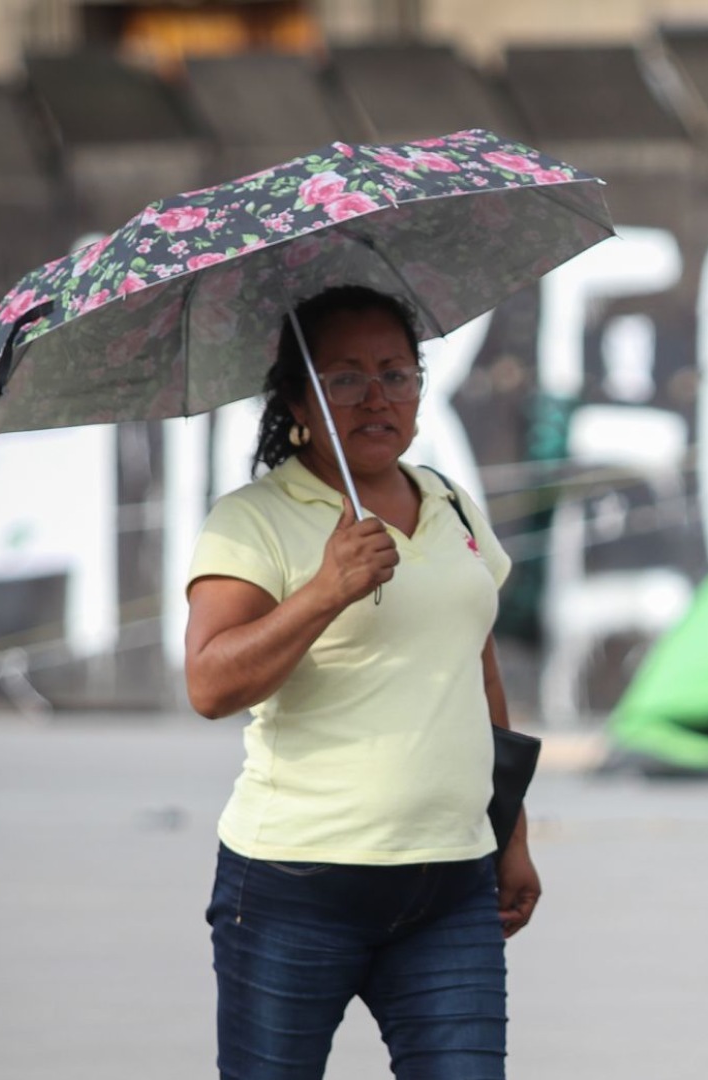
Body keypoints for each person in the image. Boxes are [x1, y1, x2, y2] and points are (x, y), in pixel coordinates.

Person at [184, 285, 538, 1080]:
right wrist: (324, 590)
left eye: (397, 374)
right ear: (296, 398)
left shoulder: (449, 501)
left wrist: (510, 835)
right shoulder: (253, 520)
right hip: (292, 889)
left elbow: (475, 669)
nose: (377, 397)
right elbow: (209, 683)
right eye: (345, 378)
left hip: (450, 886)